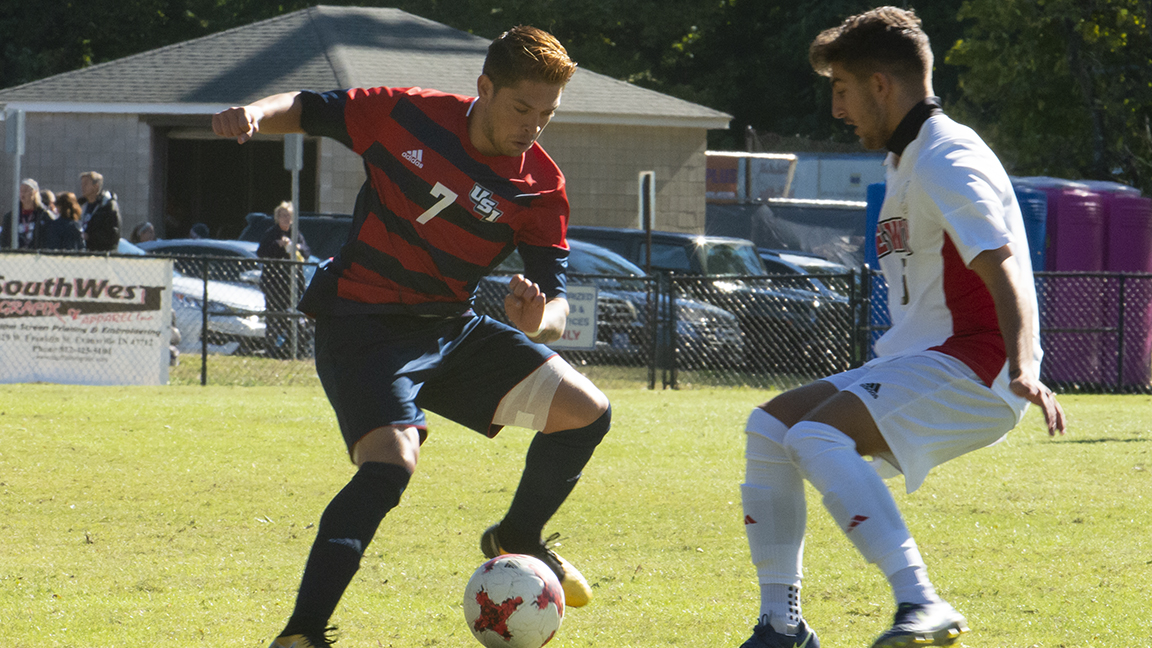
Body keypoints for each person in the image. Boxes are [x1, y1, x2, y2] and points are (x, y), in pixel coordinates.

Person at [212, 25, 611, 648]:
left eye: (548, 114)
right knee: (391, 464)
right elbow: (313, 109)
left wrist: (538, 322)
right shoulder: (407, 114)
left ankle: (519, 536)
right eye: (521, 108)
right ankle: (302, 634)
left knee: (587, 413)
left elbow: (555, 300)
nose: (533, 126)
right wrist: (255, 115)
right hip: (360, 324)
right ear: (484, 88)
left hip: (449, 327)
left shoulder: (540, 185)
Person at [737, 8, 1067, 648]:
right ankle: (782, 625)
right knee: (771, 427)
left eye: (842, 89)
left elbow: (1005, 269)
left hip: (982, 365)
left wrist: (1024, 366)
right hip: (927, 356)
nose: (837, 107)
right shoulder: (906, 159)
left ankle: (922, 601)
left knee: (815, 434)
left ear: (881, 85)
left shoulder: (946, 158)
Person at [256, 201, 312, 359]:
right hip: (274, 283)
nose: (286, 218)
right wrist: (278, 244)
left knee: (296, 316)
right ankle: (270, 349)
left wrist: (298, 248)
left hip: (293, 284)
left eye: (288, 215)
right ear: (277, 217)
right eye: (282, 215)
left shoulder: (296, 233)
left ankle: (294, 349)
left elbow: (307, 252)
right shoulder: (271, 233)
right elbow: (261, 252)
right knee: (274, 316)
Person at [1, 178, 54, 249]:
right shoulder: (11, 217)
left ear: (34, 192)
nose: (23, 193)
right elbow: (4, 240)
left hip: (36, 255)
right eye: (21, 191)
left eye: (26, 190)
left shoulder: (43, 215)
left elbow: (49, 238)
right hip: (15, 255)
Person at [79, 171, 121, 252]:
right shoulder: (82, 205)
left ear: (96, 186)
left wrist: (89, 237)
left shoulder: (108, 207)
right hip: (83, 251)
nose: (82, 187)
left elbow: (112, 234)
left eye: (86, 184)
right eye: (82, 184)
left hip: (101, 253)